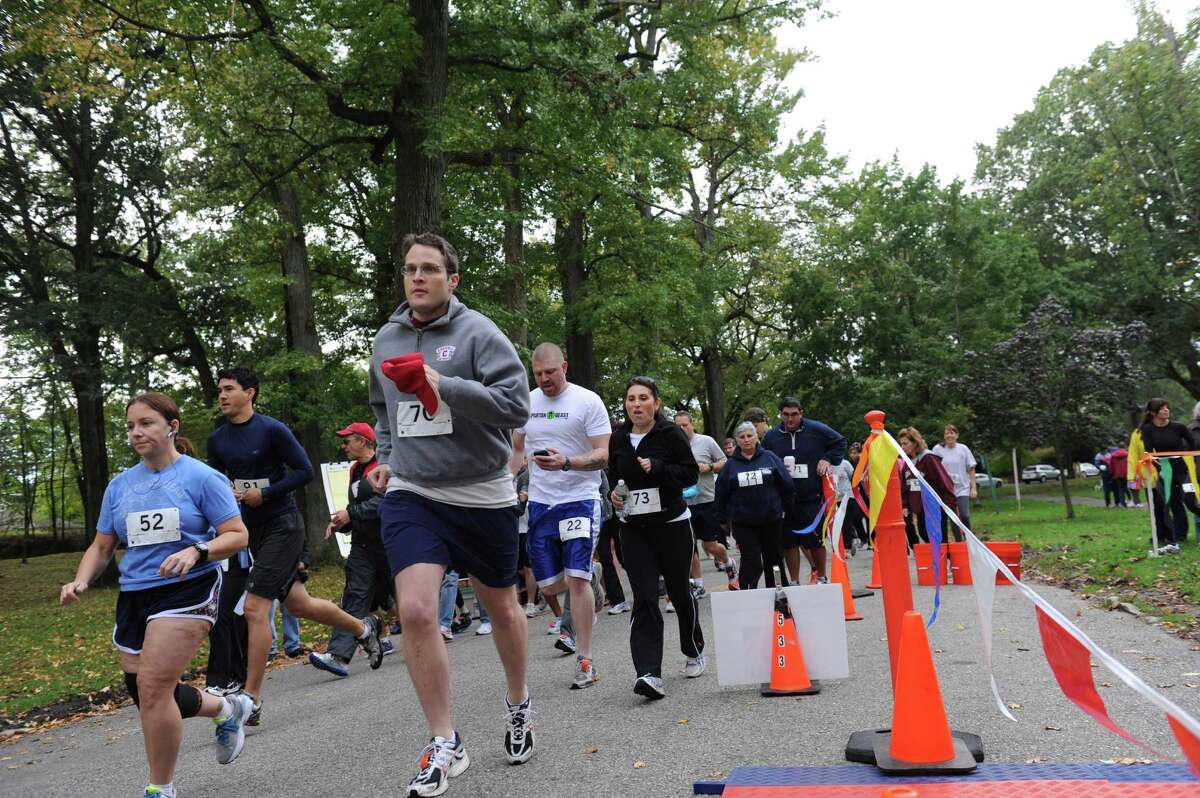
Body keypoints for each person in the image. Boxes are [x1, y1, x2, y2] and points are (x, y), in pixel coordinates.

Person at [369, 232, 534, 796]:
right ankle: (445, 740)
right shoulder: (385, 337)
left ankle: (518, 702)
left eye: (430, 269)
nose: (418, 278)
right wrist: (387, 458)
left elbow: (516, 407)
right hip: (414, 493)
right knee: (415, 611)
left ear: (452, 279)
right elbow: (381, 409)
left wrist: (445, 383)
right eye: (411, 268)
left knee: (504, 610)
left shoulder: (478, 333)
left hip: (481, 491)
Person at [61, 393, 253, 798]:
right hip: (135, 594)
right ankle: (226, 708)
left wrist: (197, 550)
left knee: (151, 687)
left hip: (190, 588)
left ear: (172, 427)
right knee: (144, 693)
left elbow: (237, 535)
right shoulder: (120, 486)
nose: (136, 432)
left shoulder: (201, 477)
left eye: (146, 423)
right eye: (131, 426)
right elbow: (101, 546)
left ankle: (160, 789)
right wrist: (81, 580)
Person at [207, 368, 383, 725]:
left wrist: (265, 492)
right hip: (250, 531)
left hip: (283, 526)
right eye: (220, 390)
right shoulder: (218, 439)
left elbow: (303, 471)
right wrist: (229, 494)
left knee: (255, 607)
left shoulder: (271, 429)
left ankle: (250, 699)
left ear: (250, 393)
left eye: (229, 389)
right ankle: (363, 628)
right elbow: (216, 482)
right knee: (300, 604)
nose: (222, 396)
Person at [509, 342, 610, 689]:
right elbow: (517, 447)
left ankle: (585, 659)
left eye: (550, 372)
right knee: (550, 585)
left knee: (576, 581)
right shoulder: (528, 402)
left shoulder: (587, 401)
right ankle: (587, 572)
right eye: (538, 374)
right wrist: (508, 480)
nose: (545, 380)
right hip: (541, 503)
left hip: (579, 498)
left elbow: (603, 454)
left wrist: (568, 462)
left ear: (564, 366)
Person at [608, 376, 704, 700]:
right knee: (645, 597)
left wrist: (658, 467)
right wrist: (614, 495)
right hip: (634, 529)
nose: (637, 404)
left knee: (679, 592)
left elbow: (690, 474)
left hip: (673, 525)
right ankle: (649, 672)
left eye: (643, 398)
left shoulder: (669, 433)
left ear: (656, 403)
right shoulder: (619, 437)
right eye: (631, 398)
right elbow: (613, 475)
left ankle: (693, 649)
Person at [309, 422, 395, 677]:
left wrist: (351, 514)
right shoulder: (355, 470)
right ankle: (338, 656)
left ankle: (416, 634)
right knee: (354, 597)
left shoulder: (384, 464)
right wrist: (340, 524)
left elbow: (385, 502)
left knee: (402, 601)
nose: (343, 445)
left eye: (348, 440)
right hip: (363, 546)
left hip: (390, 544)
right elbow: (356, 506)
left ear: (364, 441)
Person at [761, 398, 847, 583]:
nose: (790, 419)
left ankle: (822, 577)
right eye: (786, 415)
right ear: (780, 414)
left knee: (815, 540)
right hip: (784, 498)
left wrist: (827, 459)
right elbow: (763, 457)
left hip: (811, 496)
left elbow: (840, 442)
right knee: (789, 542)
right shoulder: (772, 436)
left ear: (801, 412)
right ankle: (794, 581)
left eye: (794, 414)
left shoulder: (817, 430)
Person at [716, 421, 795, 589]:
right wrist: (722, 519)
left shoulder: (770, 458)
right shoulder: (730, 465)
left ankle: (779, 596)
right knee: (751, 561)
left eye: (750, 436)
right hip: (743, 523)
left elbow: (787, 485)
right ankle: (746, 592)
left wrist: (787, 510)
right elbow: (721, 493)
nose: (746, 440)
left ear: (757, 437)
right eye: (742, 437)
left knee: (774, 560)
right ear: (737, 440)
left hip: (771, 519)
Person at [673, 411, 736, 589]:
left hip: (707, 500)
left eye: (685, 425)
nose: (681, 428)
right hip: (682, 503)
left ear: (692, 424)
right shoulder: (672, 445)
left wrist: (709, 467)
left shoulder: (706, 441)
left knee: (710, 546)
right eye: (677, 425)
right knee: (688, 547)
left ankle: (728, 562)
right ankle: (698, 584)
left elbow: (725, 462)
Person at [1135, 399, 1199, 553]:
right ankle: (1176, 538)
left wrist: (1189, 457)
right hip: (1164, 469)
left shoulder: (1179, 427)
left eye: (1167, 408)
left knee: (1190, 499)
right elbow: (1150, 453)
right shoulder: (1148, 430)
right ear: (1153, 413)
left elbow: (1192, 444)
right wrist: (1160, 469)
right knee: (1170, 503)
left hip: (1182, 469)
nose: (1166, 411)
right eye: (1162, 409)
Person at [897, 427, 957, 546]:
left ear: (915, 443)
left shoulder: (929, 459)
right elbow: (905, 487)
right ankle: (944, 559)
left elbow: (944, 481)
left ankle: (947, 561)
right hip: (920, 508)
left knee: (938, 538)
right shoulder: (907, 464)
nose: (902, 447)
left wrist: (950, 504)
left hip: (934, 506)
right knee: (924, 533)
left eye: (905, 443)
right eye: (901, 444)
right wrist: (905, 505)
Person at [930, 424, 976, 541]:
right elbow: (933, 467)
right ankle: (959, 542)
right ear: (944, 436)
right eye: (947, 433)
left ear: (957, 435)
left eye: (952, 433)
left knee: (964, 514)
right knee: (953, 517)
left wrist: (973, 488)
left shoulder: (963, 449)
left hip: (962, 488)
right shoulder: (937, 449)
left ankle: (970, 539)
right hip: (946, 489)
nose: (949, 435)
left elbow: (971, 469)